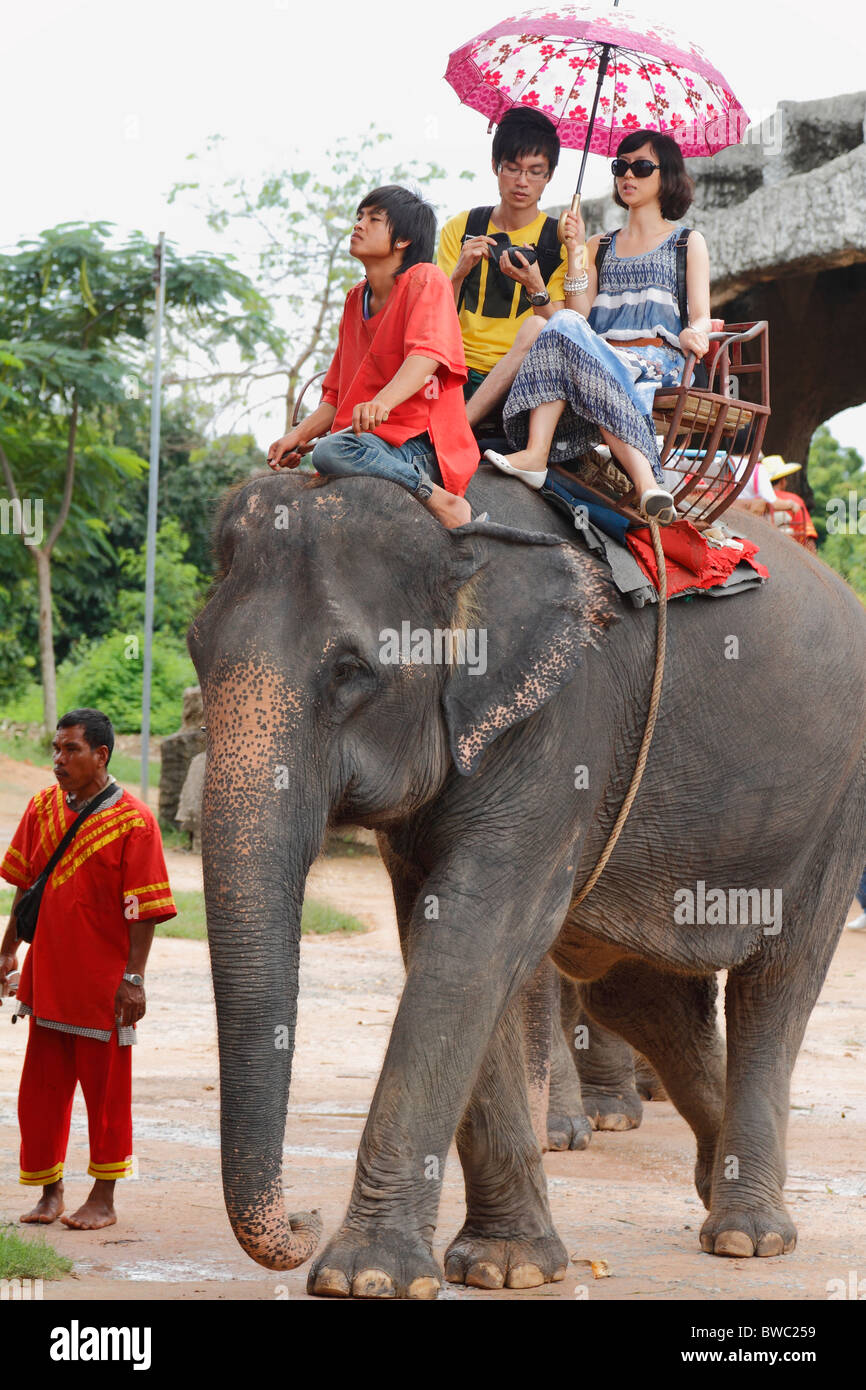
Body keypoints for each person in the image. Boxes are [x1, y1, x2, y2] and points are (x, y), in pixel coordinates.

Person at [0, 709, 177, 1230]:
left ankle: (103, 1198)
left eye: (70, 750)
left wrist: (134, 979)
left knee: (106, 1096)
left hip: (105, 986)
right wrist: (8, 950)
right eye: (56, 749)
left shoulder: (136, 822)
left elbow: (145, 909)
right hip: (47, 976)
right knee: (40, 1093)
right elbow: (24, 888)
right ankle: (49, 1193)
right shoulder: (41, 807)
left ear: (101, 755)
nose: (58, 760)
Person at [484, 129, 713, 526]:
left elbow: (701, 314)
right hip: (598, 356)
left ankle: (625, 478)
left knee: (573, 340)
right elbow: (579, 319)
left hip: (658, 360)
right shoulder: (598, 246)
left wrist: (698, 331)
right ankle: (636, 483)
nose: (628, 175)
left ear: (667, 176)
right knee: (567, 328)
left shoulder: (686, 242)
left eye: (641, 167)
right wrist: (575, 254)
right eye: (620, 166)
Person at [267, 185, 479, 529]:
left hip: (419, 447)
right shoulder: (354, 300)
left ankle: (440, 500)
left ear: (403, 240)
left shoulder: (426, 279)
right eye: (359, 217)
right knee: (320, 457)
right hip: (365, 445)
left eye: (374, 219)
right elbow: (336, 397)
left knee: (331, 451)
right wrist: (298, 435)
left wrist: (382, 403)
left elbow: (427, 355)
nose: (359, 225)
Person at [437, 108, 568, 434]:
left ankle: (457, 430)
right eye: (513, 168)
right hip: (457, 367)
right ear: (495, 166)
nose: (523, 181)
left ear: (549, 175)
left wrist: (534, 285)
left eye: (536, 171)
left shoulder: (558, 241)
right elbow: (435, 316)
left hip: (520, 375)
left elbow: (561, 333)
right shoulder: (463, 227)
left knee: (538, 325)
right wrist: (459, 273)